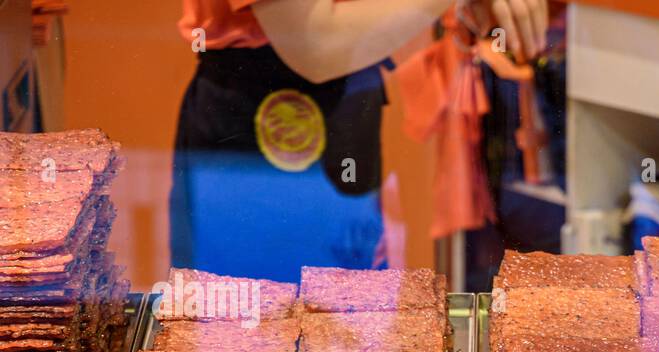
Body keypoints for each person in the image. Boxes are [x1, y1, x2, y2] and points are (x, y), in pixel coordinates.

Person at [172, 0, 548, 281]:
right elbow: (313, 44)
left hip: (350, 101)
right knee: (252, 342)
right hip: (264, 124)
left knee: (352, 328)